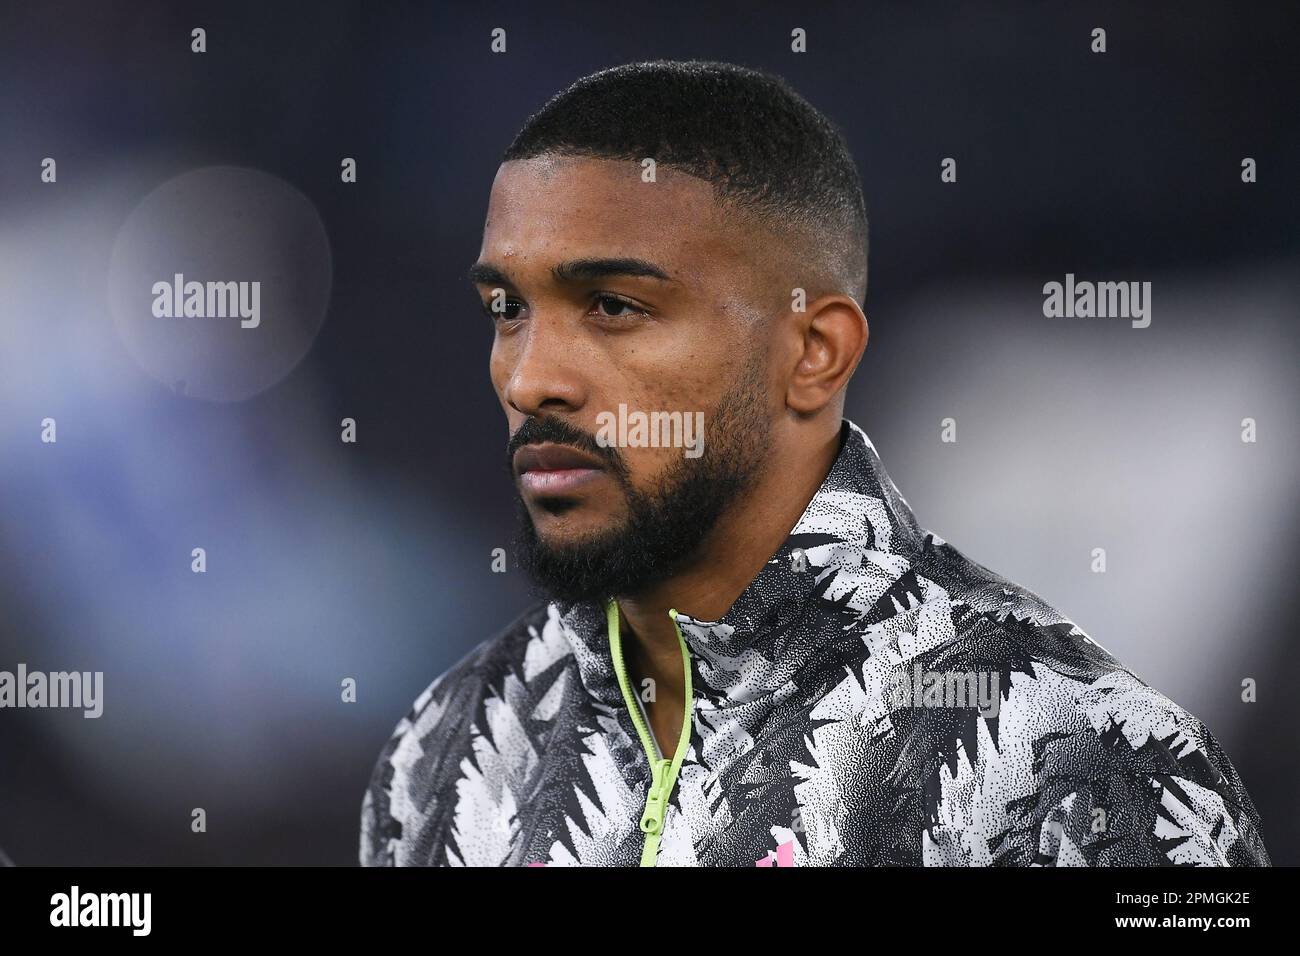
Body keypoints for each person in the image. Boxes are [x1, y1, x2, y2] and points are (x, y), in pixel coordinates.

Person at [360, 60, 1269, 866]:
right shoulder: (446, 744)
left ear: (815, 353)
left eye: (614, 307)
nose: (530, 379)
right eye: (507, 310)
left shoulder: (1086, 761)